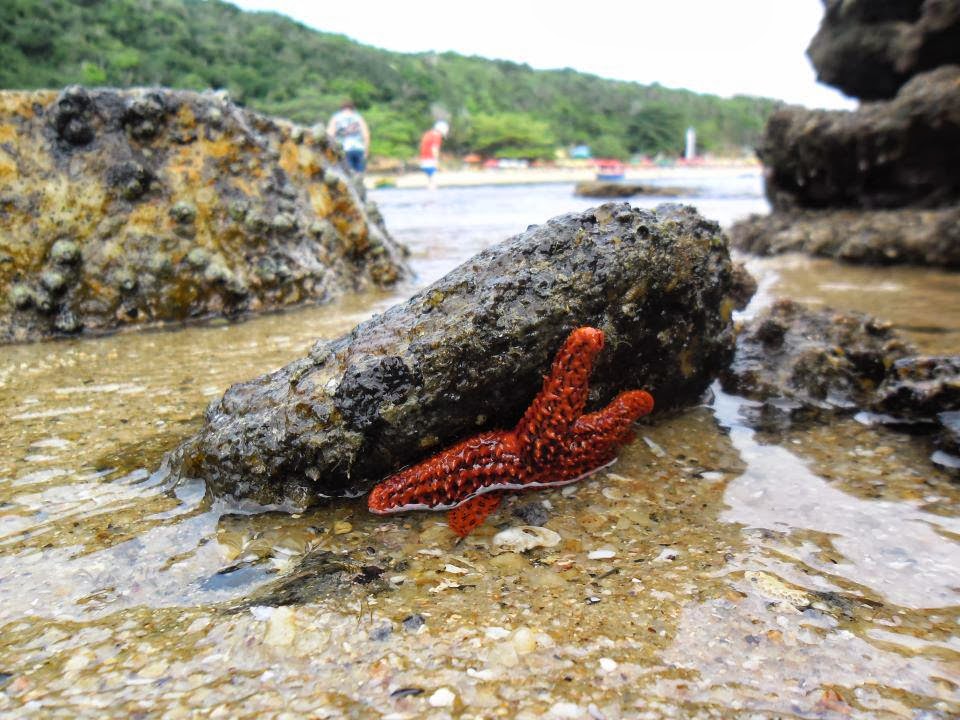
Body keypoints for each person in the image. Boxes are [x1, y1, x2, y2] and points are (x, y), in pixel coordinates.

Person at [326, 100, 370, 174]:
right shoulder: (358, 117)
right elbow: (366, 135)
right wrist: (366, 150)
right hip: (359, 149)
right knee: (359, 175)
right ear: (353, 108)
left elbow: (330, 134)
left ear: (341, 108)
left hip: (343, 150)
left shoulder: (336, 118)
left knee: (347, 175)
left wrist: (330, 150)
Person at [419, 120, 449, 190]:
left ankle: (428, 198)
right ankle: (433, 199)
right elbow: (434, 149)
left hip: (423, 161)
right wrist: (436, 161)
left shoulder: (427, 134)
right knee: (434, 182)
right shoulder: (436, 136)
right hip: (430, 161)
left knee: (430, 181)